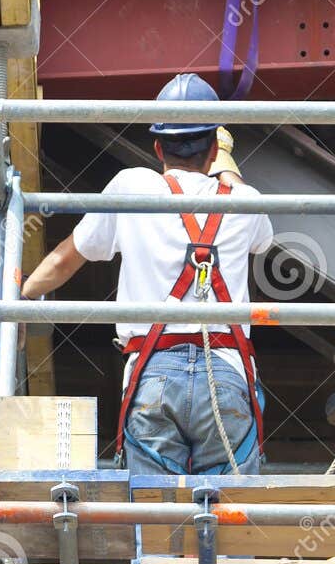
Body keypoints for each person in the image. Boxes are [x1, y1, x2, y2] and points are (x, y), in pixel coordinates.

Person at [20, 73, 274, 474]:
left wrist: (24, 297)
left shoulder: (132, 186)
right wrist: (223, 159)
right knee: (230, 522)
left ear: (157, 146)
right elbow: (255, 228)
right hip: (225, 373)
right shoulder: (244, 201)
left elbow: (65, 260)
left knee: (156, 523)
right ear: (213, 151)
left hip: (152, 373)